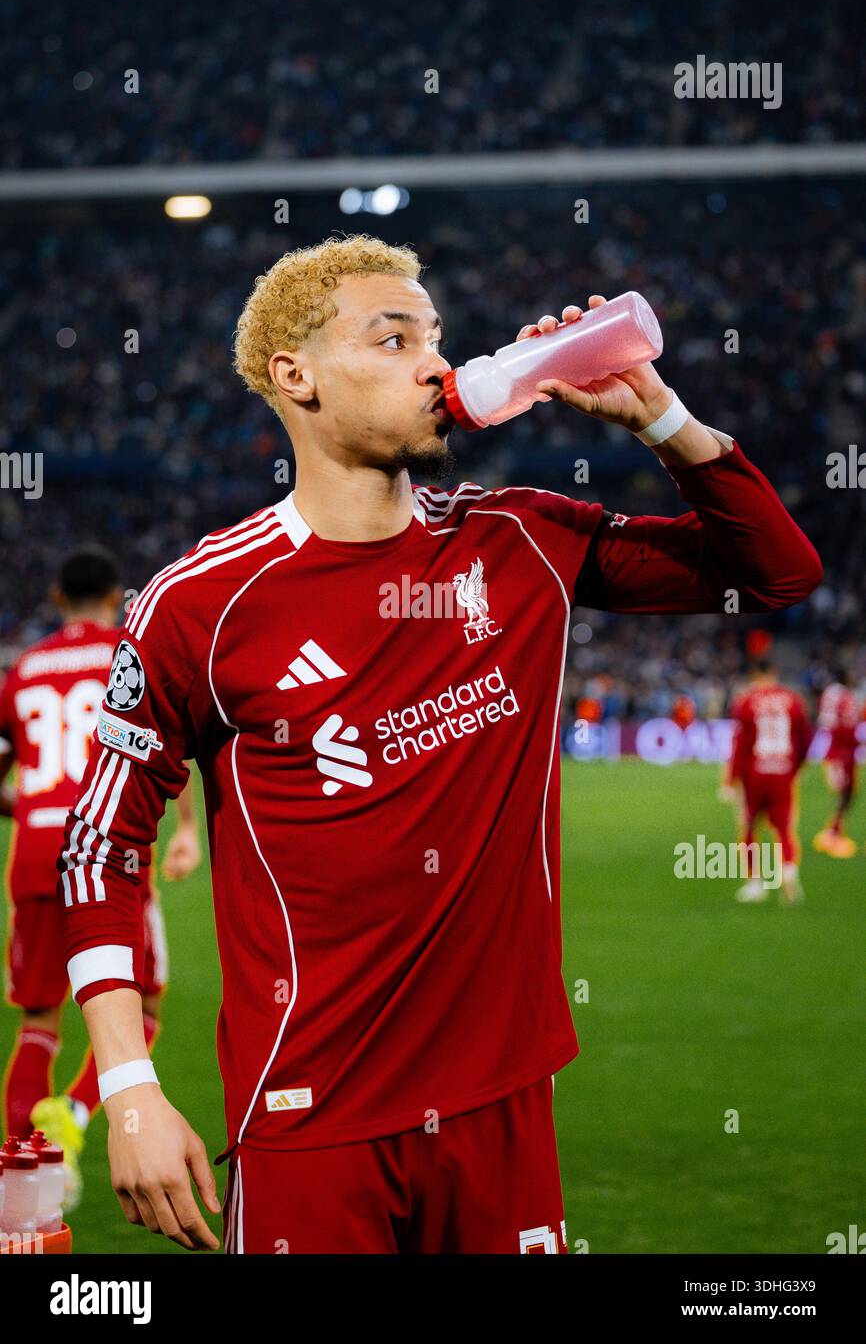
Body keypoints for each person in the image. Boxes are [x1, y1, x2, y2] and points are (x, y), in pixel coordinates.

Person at [58, 235, 821, 1254]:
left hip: (500, 1102)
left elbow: (774, 573)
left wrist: (663, 420)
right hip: (308, 1117)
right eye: (394, 336)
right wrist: (129, 1088)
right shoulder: (198, 605)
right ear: (298, 377)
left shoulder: (521, 542)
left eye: (437, 338)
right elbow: (100, 846)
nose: (436, 362)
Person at [0, 546, 201, 1207]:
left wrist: (26, 805)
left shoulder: (25, 666)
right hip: (107, 843)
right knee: (140, 1006)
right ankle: (77, 1117)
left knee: (39, 1019)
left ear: (56, 599)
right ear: (119, 596)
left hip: (33, 849)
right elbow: (171, 739)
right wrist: (190, 832)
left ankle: (24, 1186)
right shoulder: (132, 647)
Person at [725, 659, 813, 905]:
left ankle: (755, 883)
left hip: (755, 772)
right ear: (774, 672)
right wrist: (797, 766)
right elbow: (805, 738)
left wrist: (731, 779)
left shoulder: (746, 701)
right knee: (784, 828)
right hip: (783, 771)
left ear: (754, 674)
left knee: (750, 827)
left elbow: (740, 744)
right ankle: (788, 872)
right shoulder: (793, 700)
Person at [813, 669, 862, 858]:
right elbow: (834, 724)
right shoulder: (840, 695)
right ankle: (831, 835)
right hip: (840, 753)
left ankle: (834, 832)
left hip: (845, 752)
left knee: (848, 794)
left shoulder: (838, 694)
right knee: (844, 794)